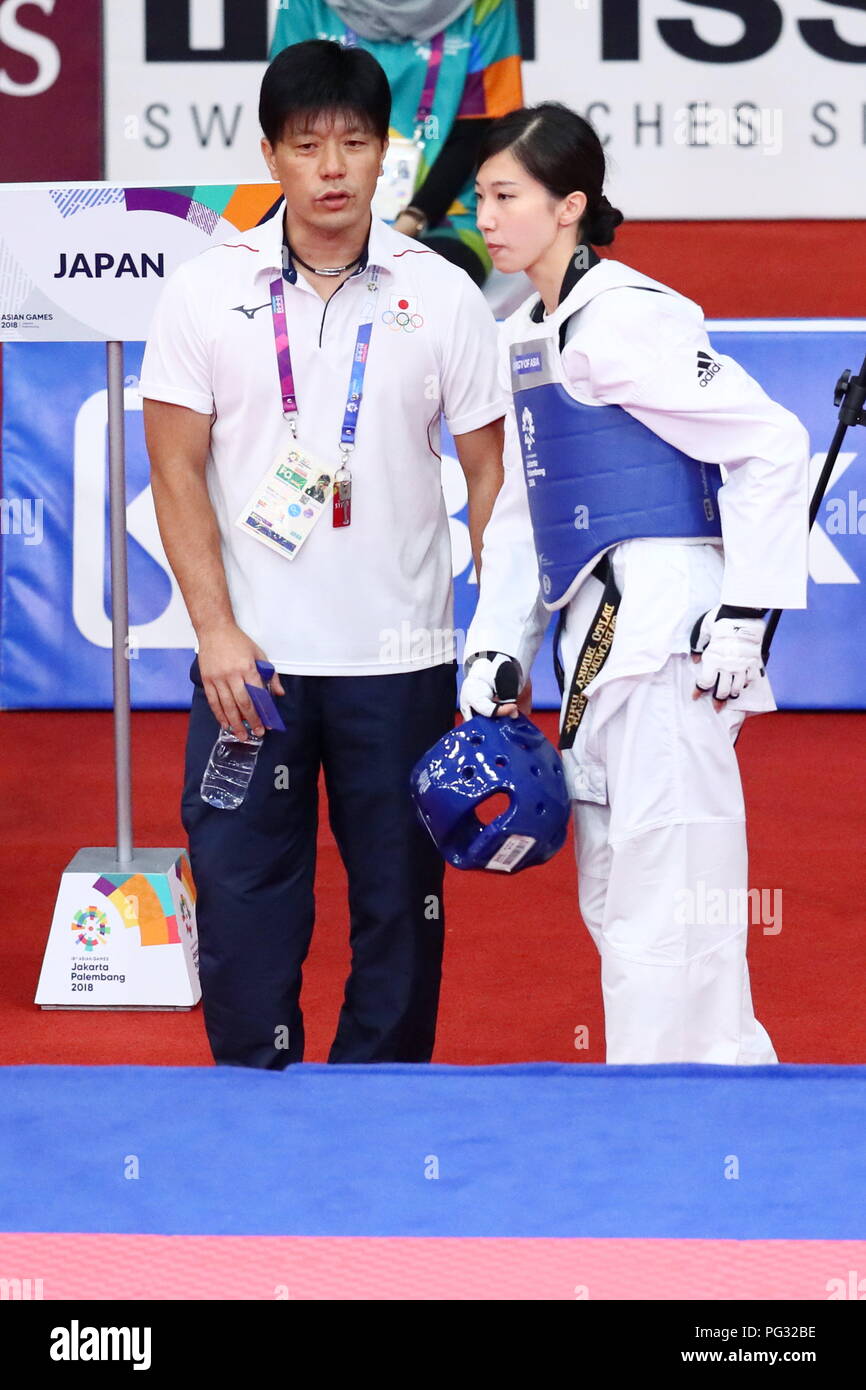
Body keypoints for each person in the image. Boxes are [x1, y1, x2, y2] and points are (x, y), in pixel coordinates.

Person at [140, 40, 510, 1068]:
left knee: (401, 901)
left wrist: (494, 635)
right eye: (308, 146)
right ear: (271, 154)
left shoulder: (438, 294)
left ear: (386, 151)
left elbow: (489, 477)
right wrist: (214, 631)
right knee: (244, 894)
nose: (334, 167)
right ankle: (259, 1103)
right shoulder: (206, 291)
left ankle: (378, 1110)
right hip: (250, 666)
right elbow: (173, 471)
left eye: (354, 142)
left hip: (402, 660)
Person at [461, 103, 810, 1065]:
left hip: (666, 642)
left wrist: (743, 619)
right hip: (592, 648)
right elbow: (526, 515)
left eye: (505, 196)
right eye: (480, 196)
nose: (485, 217)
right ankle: (660, 1092)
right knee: (618, 888)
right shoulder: (527, 331)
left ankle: (695, 1101)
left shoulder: (627, 320)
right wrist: (497, 651)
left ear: (569, 205)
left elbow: (772, 443)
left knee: (676, 879)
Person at [270, 0, 523, 286]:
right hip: (325, 212)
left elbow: (479, 131)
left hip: (448, 218)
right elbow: (288, 117)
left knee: (428, 286)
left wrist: (407, 224)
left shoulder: (486, 4)